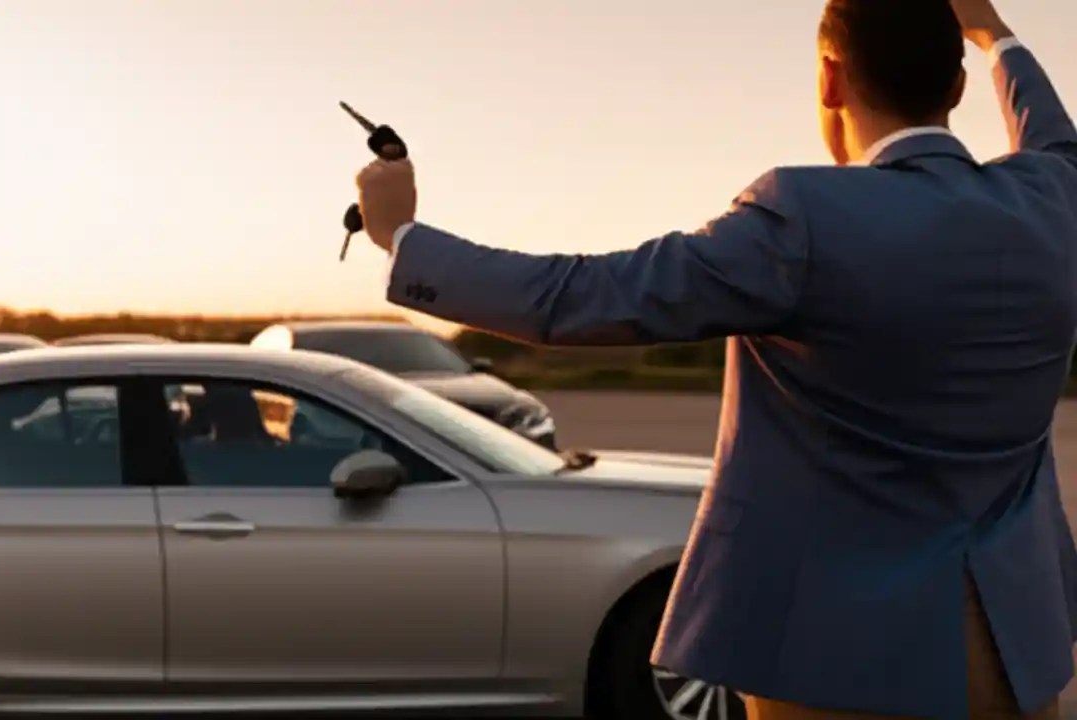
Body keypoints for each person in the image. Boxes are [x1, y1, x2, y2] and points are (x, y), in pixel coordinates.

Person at [352, 0, 1077, 718]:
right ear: (955, 88)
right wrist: (995, 35)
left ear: (831, 79)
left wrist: (403, 237)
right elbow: (1055, 139)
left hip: (832, 659)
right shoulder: (1051, 200)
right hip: (1015, 647)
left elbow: (586, 297)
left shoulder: (804, 218)